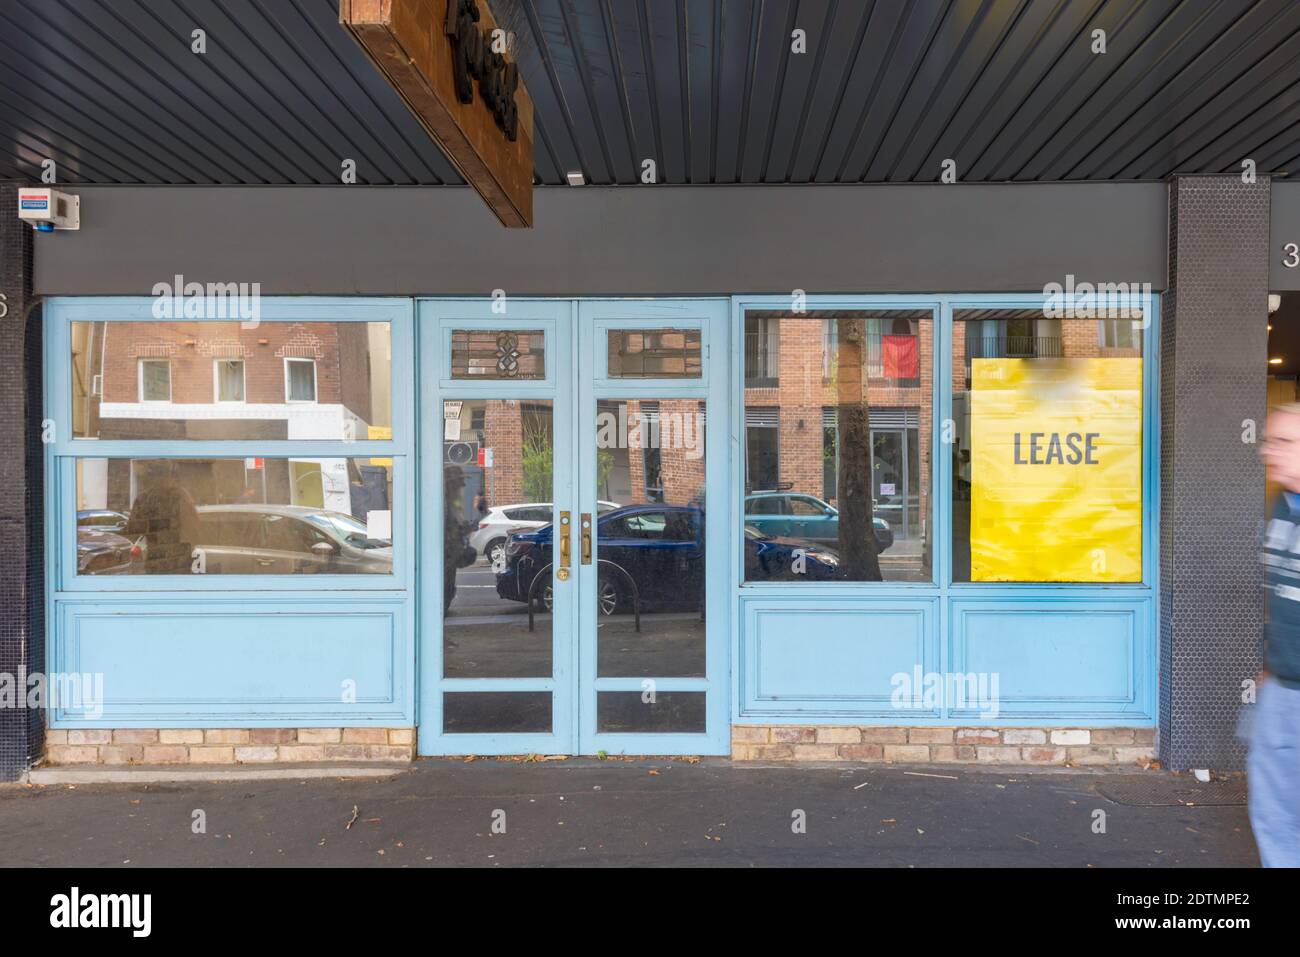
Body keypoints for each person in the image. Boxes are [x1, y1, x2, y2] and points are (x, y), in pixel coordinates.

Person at [1253, 403, 1300, 866]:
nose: (1269, 451)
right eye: (1269, 440)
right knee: (1273, 814)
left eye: (1284, 442)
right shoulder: (1283, 507)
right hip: (1282, 690)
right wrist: (1272, 663)